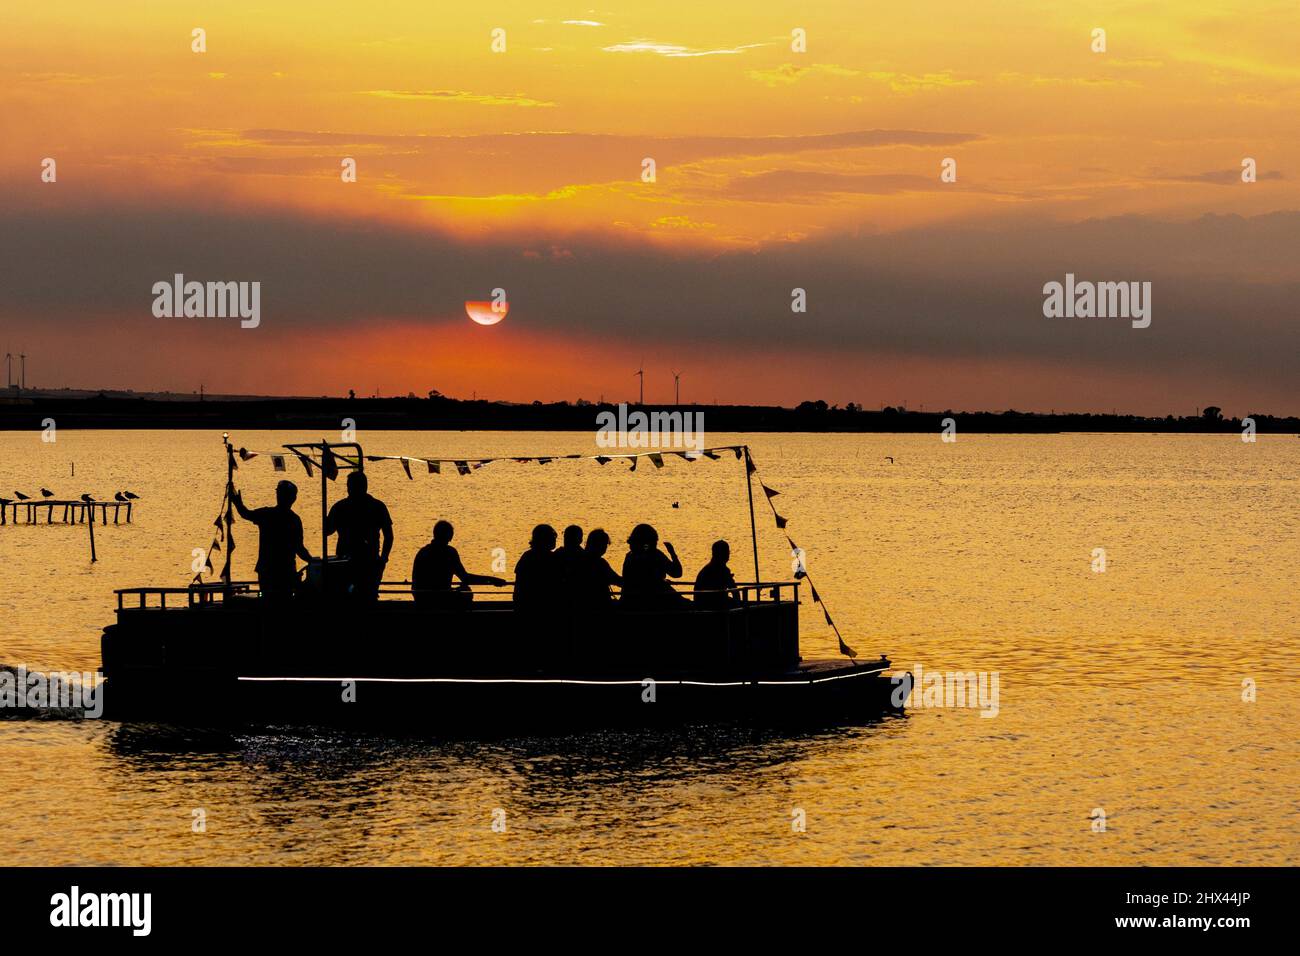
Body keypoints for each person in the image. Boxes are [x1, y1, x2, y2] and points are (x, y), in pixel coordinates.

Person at [230, 480, 313, 601]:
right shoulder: (294, 519)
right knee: (284, 601)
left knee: (268, 601)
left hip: (269, 570)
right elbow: (299, 548)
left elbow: (245, 513)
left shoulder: (267, 514)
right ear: (293, 498)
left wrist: (237, 502)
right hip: (285, 570)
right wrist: (313, 561)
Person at [324, 470, 393, 602]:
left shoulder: (342, 507)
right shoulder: (376, 506)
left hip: (367, 561)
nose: (349, 490)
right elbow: (328, 531)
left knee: (358, 597)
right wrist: (383, 558)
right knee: (362, 597)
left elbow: (389, 536)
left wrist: (383, 558)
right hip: (349, 561)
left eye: (351, 486)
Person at [411, 520, 506, 609]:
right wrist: (492, 580)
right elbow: (466, 578)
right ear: (448, 537)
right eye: (449, 539)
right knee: (466, 591)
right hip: (440, 599)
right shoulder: (449, 553)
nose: (449, 542)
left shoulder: (422, 552)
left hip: (421, 599)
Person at [620, 523, 686, 608]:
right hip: (657, 601)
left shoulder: (629, 556)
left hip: (630, 601)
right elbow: (677, 573)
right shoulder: (655, 555)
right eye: (654, 542)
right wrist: (672, 553)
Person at [513, 523, 558, 609]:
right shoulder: (553, 558)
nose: (555, 540)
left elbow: (519, 584)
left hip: (527, 603)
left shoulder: (527, 556)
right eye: (553, 537)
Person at [693, 539, 741, 610]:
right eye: (726, 552)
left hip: (704, 604)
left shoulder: (708, 569)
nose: (728, 554)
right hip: (711, 605)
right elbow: (734, 590)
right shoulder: (720, 570)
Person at [582, 528, 622, 605]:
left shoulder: (581, 558)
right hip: (600, 603)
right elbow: (616, 580)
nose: (605, 547)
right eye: (604, 544)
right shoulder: (600, 563)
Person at [555, 524, 587, 595]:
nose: (565, 538)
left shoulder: (557, 554)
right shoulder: (585, 556)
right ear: (580, 540)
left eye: (567, 536)